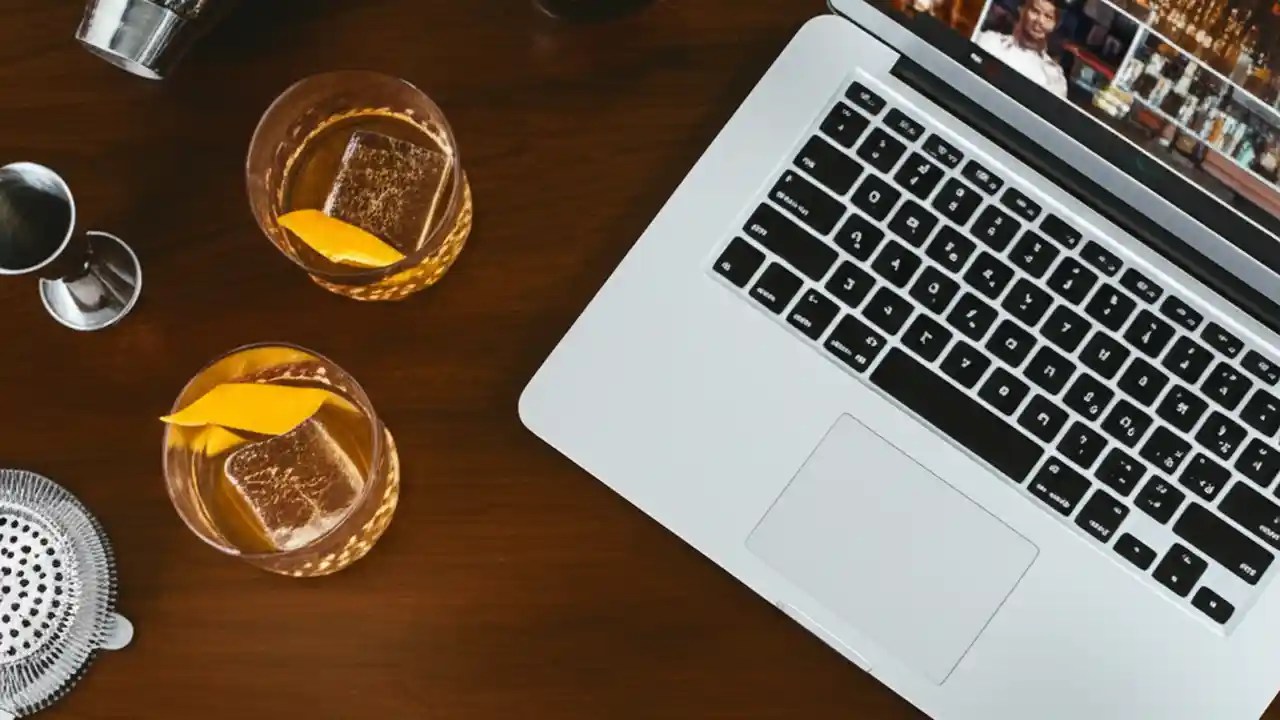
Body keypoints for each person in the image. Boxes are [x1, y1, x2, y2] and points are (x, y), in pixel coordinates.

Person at [974, 0, 1069, 99]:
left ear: (1055, 25)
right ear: (1022, 10)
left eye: (1048, 17)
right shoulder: (989, 41)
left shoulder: (1054, 77)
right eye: (1035, 11)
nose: (1040, 21)